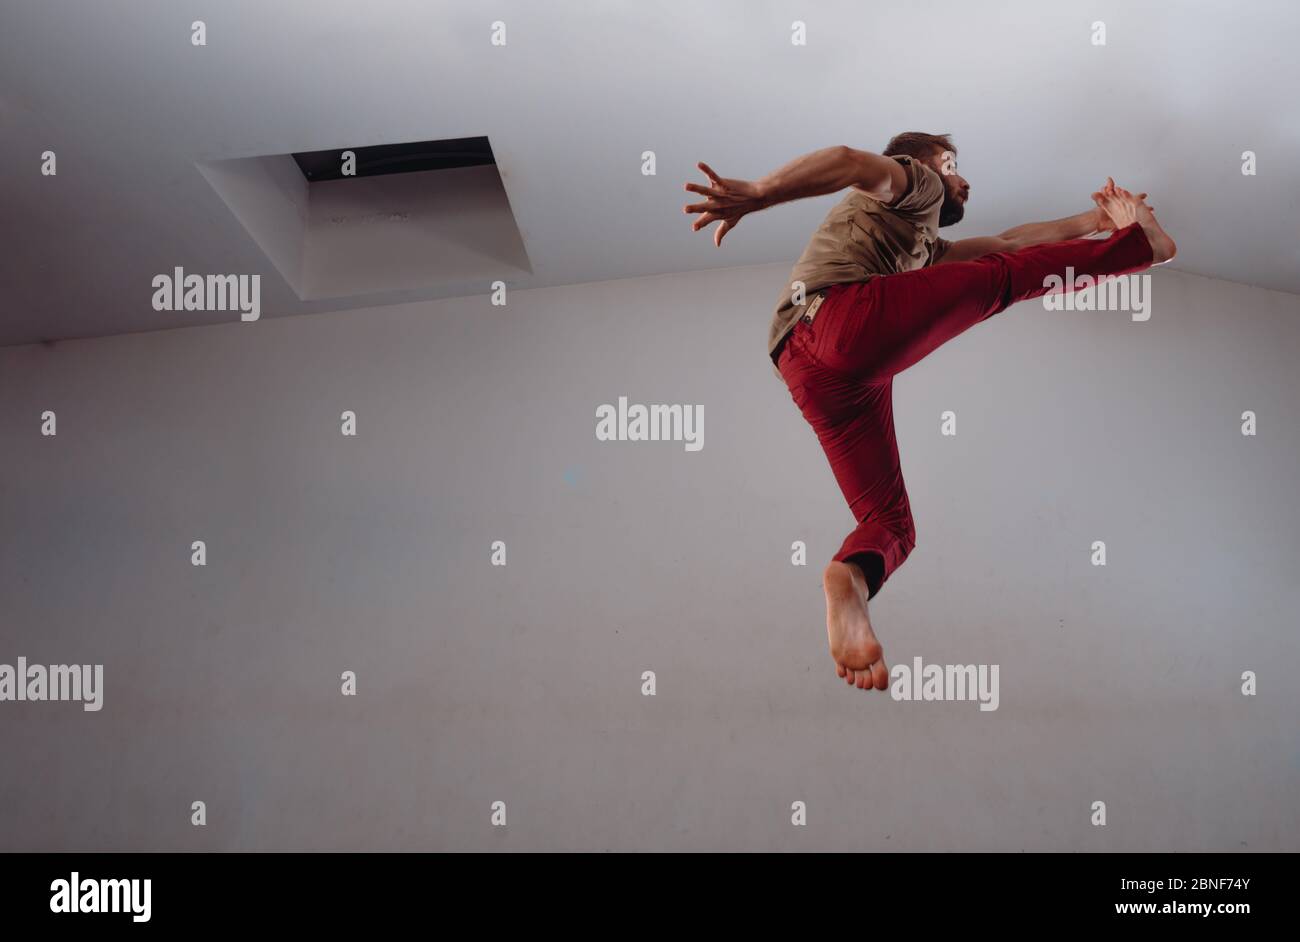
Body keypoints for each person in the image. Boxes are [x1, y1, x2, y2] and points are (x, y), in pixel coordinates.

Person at [682, 132, 1175, 692]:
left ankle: (851, 578)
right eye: (953, 165)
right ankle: (1144, 250)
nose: (964, 179)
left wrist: (1096, 218)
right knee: (997, 283)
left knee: (891, 525)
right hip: (835, 320)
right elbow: (846, 160)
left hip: (814, 374)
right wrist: (759, 192)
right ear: (923, 165)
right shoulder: (914, 187)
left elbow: (1013, 241)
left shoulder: (924, 246)